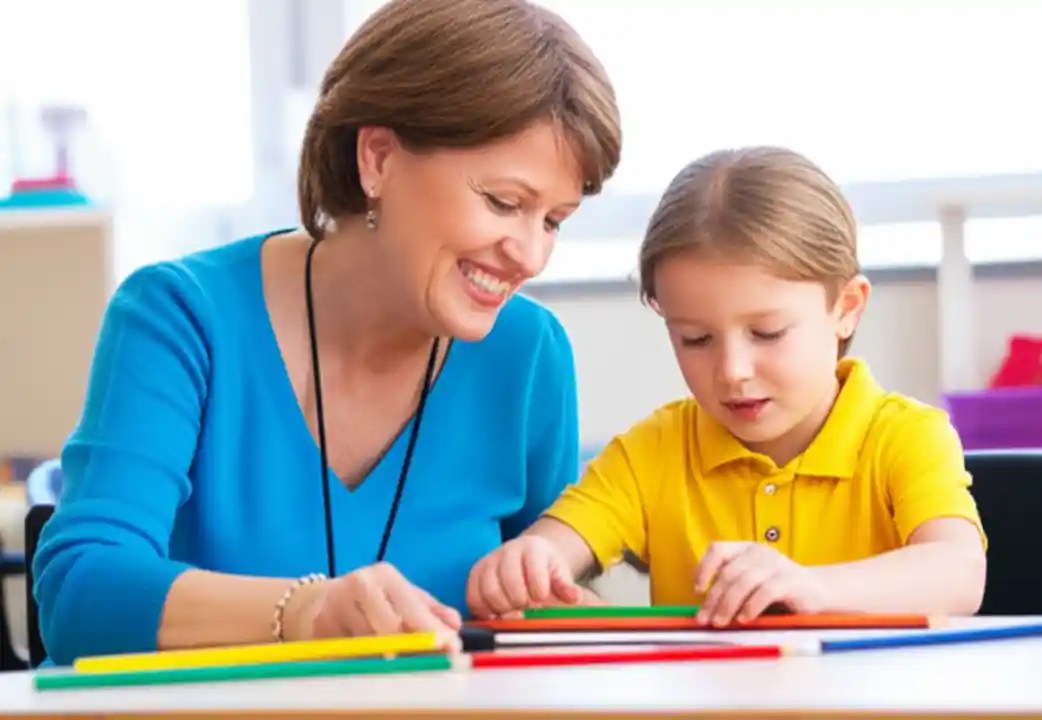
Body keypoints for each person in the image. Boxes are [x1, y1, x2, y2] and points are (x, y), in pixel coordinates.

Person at [32, 0, 621, 665]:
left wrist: (566, 609)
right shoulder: (180, 316)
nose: (530, 256)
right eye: (504, 203)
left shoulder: (528, 356)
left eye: (554, 220)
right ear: (378, 158)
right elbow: (78, 593)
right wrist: (306, 610)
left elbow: (536, 611)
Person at [467, 146, 987, 626]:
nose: (732, 370)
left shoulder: (907, 437)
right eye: (695, 339)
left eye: (767, 333)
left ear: (846, 309)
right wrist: (526, 570)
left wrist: (812, 587)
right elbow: (551, 548)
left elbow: (959, 573)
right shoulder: (654, 452)